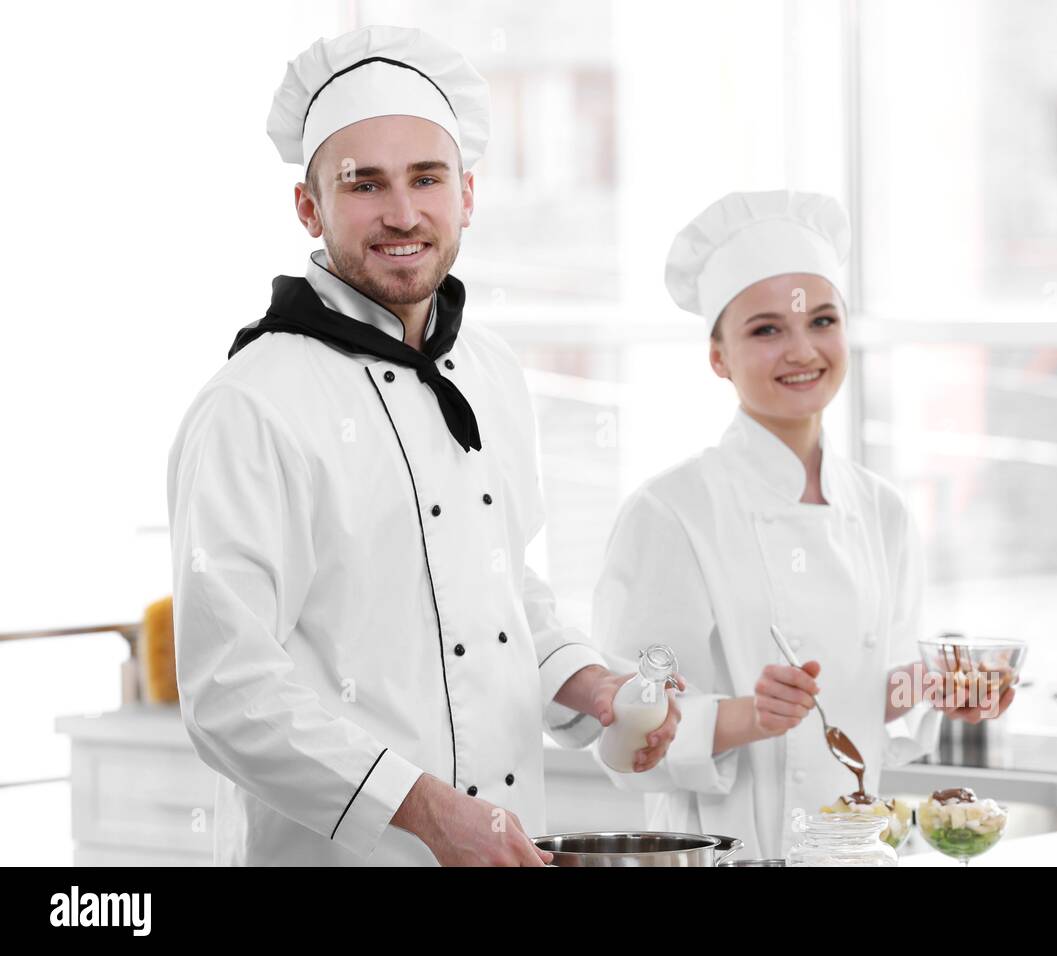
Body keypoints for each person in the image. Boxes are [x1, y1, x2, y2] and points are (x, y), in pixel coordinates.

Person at [166, 25, 679, 867]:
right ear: (309, 206)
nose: (402, 214)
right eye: (364, 185)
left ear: (468, 195)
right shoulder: (250, 405)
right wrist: (423, 810)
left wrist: (587, 681)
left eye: (426, 179)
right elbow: (230, 690)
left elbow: (504, 588)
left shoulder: (493, 372)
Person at [591, 190, 1014, 860]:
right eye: (766, 329)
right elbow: (621, 738)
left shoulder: (883, 513)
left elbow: (865, 704)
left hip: (857, 848)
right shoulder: (670, 513)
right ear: (718, 356)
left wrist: (937, 691)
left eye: (823, 321)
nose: (802, 350)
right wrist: (744, 717)